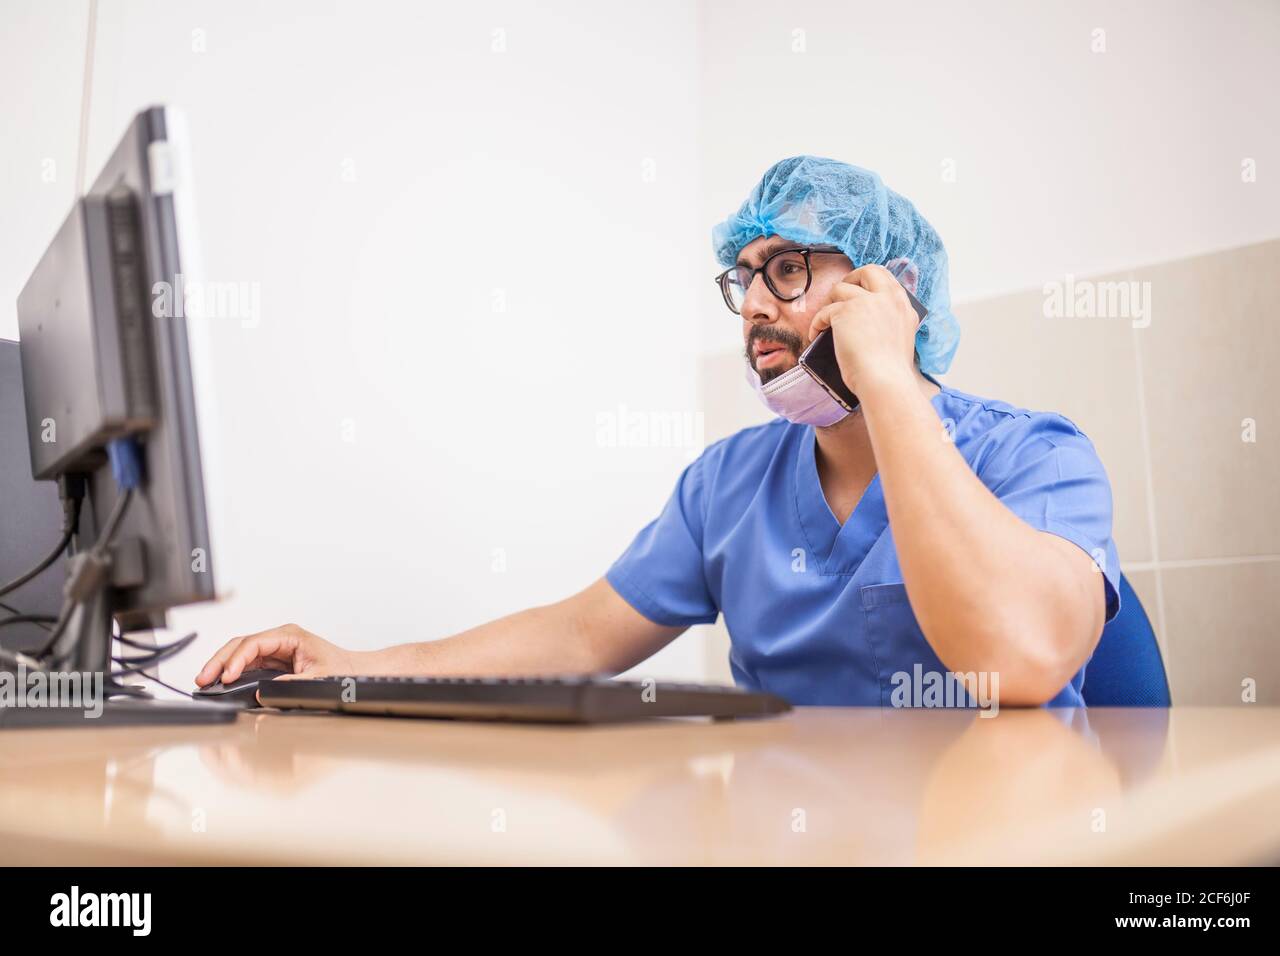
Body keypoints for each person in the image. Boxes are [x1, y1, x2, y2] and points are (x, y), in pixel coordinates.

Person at [196, 156, 1120, 707]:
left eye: (788, 269)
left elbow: (1022, 658)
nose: (754, 304)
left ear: (891, 287)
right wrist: (354, 668)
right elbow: (577, 636)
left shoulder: (1034, 454)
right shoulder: (728, 485)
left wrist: (885, 373)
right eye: (743, 277)